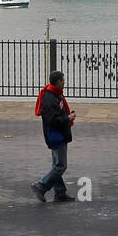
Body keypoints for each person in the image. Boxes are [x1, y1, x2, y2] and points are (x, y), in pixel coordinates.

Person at [32, 70, 76, 202]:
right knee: (61, 166)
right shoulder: (50, 98)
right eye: (63, 80)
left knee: (56, 164)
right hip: (56, 135)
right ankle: (41, 185)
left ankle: (60, 193)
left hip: (58, 134)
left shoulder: (55, 94)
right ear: (57, 82)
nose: (64, 82)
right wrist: (68, 118)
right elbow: (53, 120)